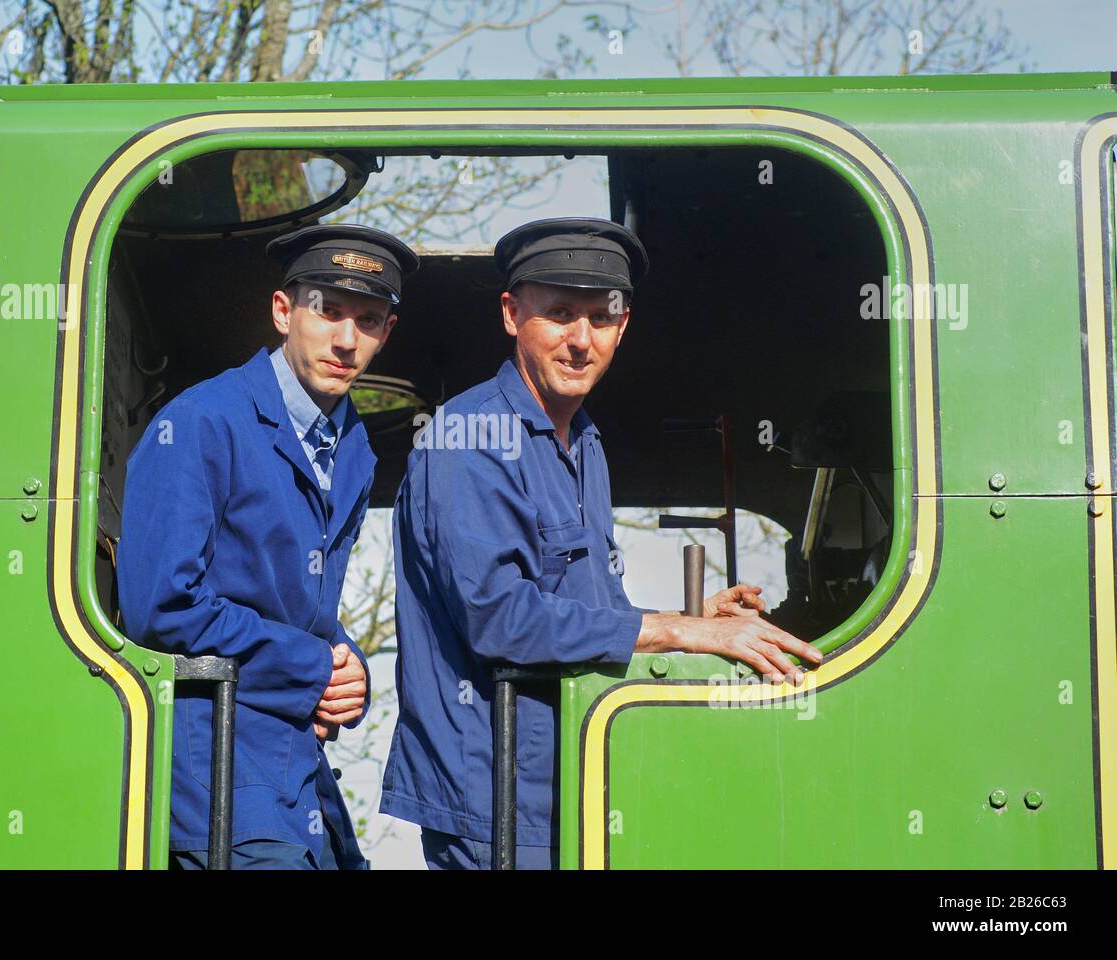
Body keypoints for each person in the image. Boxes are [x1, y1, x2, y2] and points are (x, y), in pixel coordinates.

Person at [380, 217, 821, 869]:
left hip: (571, 784)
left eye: (601, 317)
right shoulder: (467, 437)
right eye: (559, 314)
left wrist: (695, 622)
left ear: (624, 326)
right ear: (512, 314)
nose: (581, 340)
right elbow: (499, 618)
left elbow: (586, 610)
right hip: (499, 806)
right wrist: (672, 630)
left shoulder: (583, 441)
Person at [118, 223, 418, 869]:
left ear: (386, 332)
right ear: (284, 311)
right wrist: (313, 669)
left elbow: (296, 605)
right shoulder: (200, 422)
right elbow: (160, 608)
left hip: (295, 770)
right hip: (212, 767)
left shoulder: (353, 445)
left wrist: (349, 667)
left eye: (367, 320)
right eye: (328, 312)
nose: (345, 339)